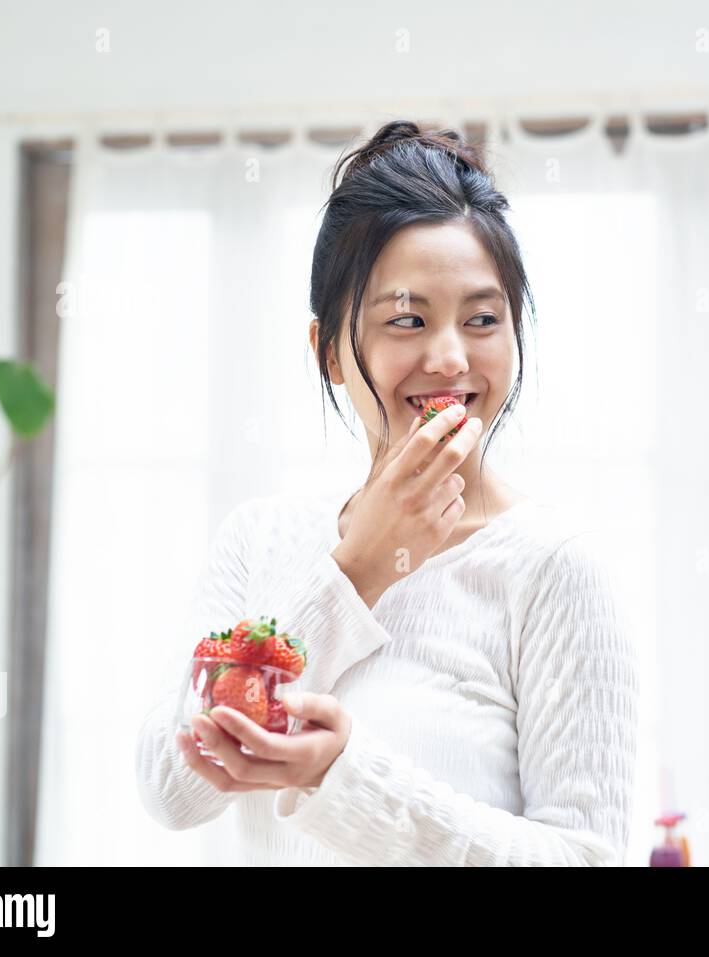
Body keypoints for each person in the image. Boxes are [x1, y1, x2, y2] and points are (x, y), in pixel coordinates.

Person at [134, 120, 641, 866]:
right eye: (407, 319)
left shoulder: (553, 570)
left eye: (482, 319)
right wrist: (355, 569)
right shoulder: (261, 540)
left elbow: (589, 860)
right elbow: (174, 788)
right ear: (330, 351)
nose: (449, 356)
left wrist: (345, 781)